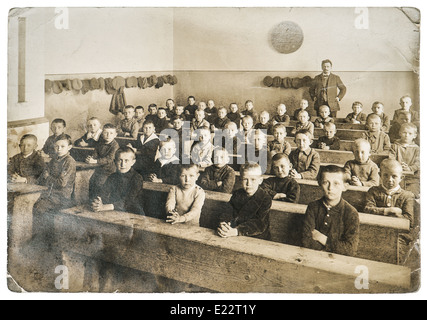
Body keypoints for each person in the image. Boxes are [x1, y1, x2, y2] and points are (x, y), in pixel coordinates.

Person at [364, 159, 416, 262]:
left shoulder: (407, 196)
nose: (389, 180)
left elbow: (409, 221)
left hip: (398, 236)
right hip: (375, 231)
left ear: (402, 178)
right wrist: (387, 211)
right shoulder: (373, 191)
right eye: (385, 175)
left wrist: (398, 217)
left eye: (394, 176)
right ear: (380, 175)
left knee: (397, 255)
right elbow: (367, 210)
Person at [302, 165, 360, 256]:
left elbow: (350, 249)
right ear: (320, 183)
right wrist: (327, 250)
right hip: (312, 257)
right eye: (326, 182)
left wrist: (322, 239)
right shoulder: (313, 207)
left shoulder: (351, 213)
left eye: (336, 183)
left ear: (345, 186)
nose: (330, 188)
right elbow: (305, 239)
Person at [33, 134, 76, 239]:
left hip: (63, 197)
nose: (59, 149)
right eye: (56, 146)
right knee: (36, 205)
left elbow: (61, 183)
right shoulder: (54, 160)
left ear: (69, 147)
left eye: (62, 146)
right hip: (51, 194)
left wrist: (48, 177)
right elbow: (44, 174)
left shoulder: (69, 161)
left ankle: (46, 238)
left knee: (40, 207)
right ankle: (43, 237)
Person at [217, 162, 272, 240]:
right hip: (232, 232)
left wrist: (236, 231)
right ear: (240, 180)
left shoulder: (265, 198)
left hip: (255, 237)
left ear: (260, 180)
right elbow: (228, 210)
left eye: (253, 179)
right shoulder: (237, 193)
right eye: (245, 179)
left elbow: (259, 223)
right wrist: (225, 223)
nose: (248, 183)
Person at [91, 147, 145, 215]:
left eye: (126, 161)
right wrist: (98, 202)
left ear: (133, 162)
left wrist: (105, 207)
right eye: (120, 160)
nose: (123, 164)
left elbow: (128, 201)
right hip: (114, 211)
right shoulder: (112, 176)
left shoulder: (137, 178)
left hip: (134, 213)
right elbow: (103, 192)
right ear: (115, 161)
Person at [87, 123, 120, 200]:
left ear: (115, 134)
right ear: (102, 134)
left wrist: (95, 161)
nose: (108, 135)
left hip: (109, 171)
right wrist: (91, 158)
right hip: (99, 169)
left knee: (100, 184)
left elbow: (109, 159)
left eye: (111, 133)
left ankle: (100, 202)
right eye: (106, 133)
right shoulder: (100, 143)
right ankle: (91, 201)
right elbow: (95, 154)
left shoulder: (115, 145)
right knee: (92, 181)